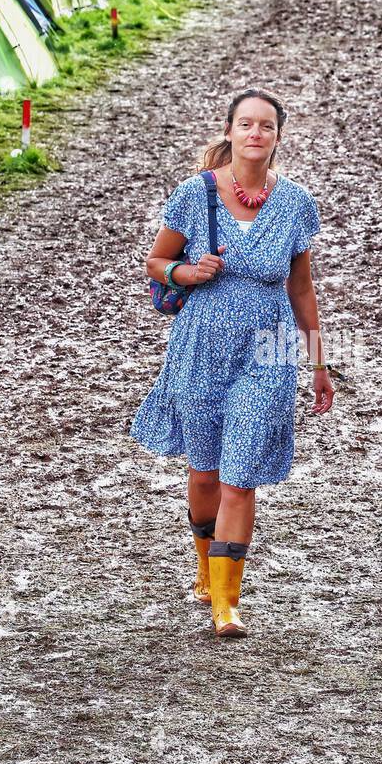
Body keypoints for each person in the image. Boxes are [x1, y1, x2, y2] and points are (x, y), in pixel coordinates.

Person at [130, 90, 334, 640]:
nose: (255, 134)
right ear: (230, 130)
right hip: (202, 343)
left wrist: (318, 361)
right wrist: (185, 275)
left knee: (241, 477)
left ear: (277, 137)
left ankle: (227, 604)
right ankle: (205, 566)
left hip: (268, 347)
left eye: (266, 126)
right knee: (205, 473)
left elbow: (301, 285)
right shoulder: (194, 196)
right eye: (246, 124)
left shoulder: (295, 204)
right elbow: (156, 260)